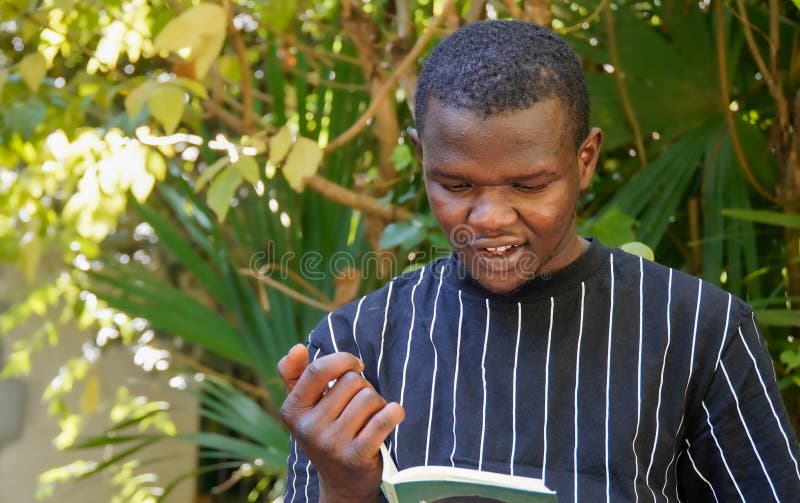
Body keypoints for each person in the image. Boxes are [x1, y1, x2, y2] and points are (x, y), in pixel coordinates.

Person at [277, 20, 800, 502]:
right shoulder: (357, 344)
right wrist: (342, 489)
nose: (489, 218)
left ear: (585, 160)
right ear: (422, 159)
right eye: (456, 184)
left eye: (529, 185)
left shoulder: (697, 329)